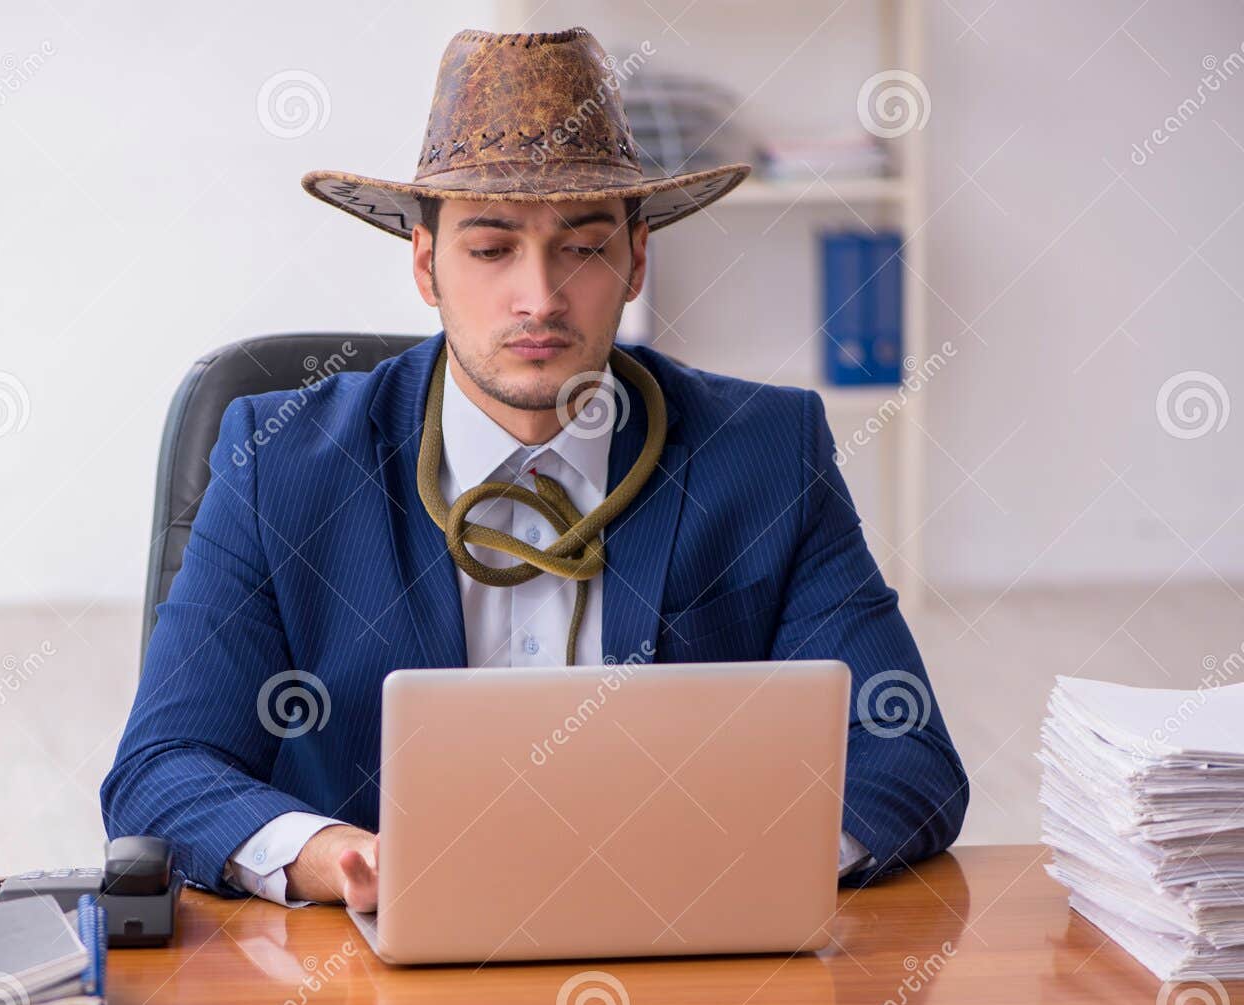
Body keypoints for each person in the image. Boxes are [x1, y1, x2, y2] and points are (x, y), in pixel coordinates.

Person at [101, 27, 966, 914]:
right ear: (426, 265)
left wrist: (741, 860)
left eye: (583, 248)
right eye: (491, 250)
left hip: (679, 949)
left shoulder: (768, 451)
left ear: (635, 260)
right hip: (372, 966)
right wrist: (340, 859)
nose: (540, 298)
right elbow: (162, 770)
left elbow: (906, 750)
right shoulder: (278, 461)